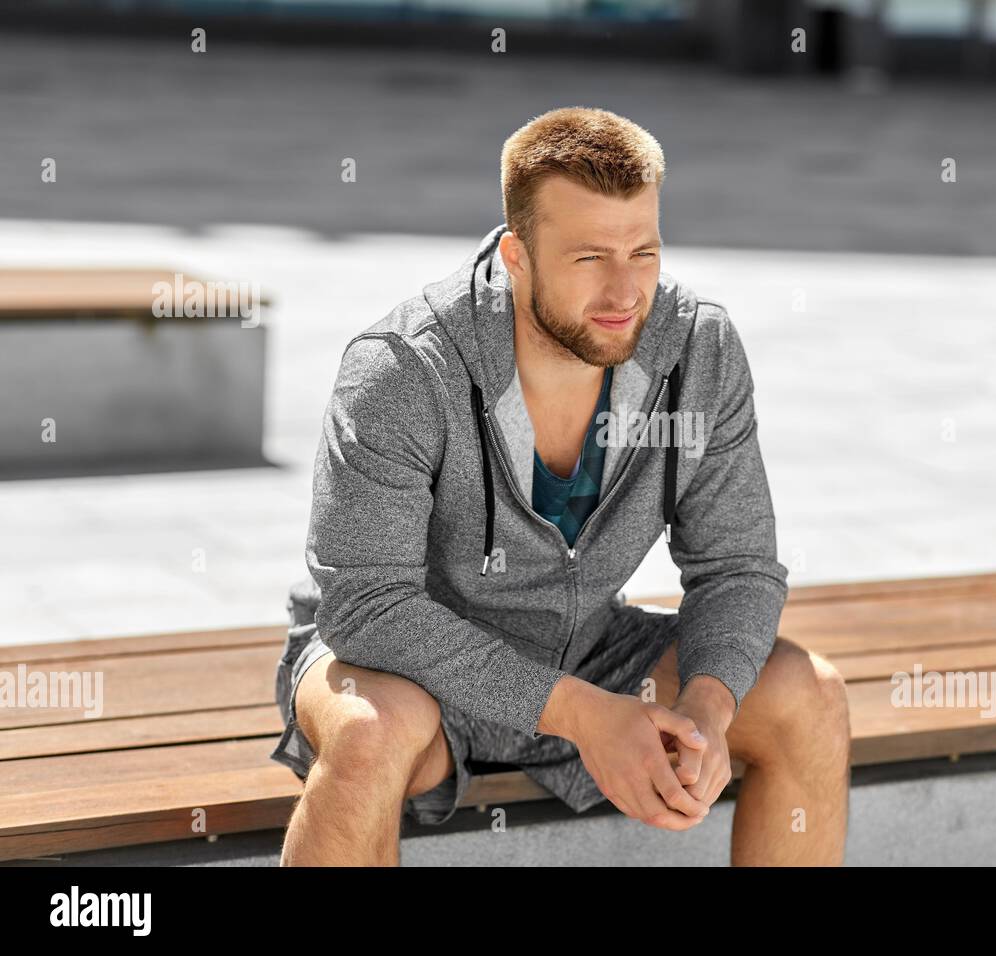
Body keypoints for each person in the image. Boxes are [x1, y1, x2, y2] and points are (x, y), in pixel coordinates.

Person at [271, 106, 850, 866]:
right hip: (407, 670)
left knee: (807, 694)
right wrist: (582, 716)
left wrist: (708, 706)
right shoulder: (402, 370)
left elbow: (736, 565)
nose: (624, 291)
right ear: (516, 255)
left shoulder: (697, 351)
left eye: (644, 252)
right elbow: (369, 607)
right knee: (369, 732)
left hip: (588, 651)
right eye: (589, 259)